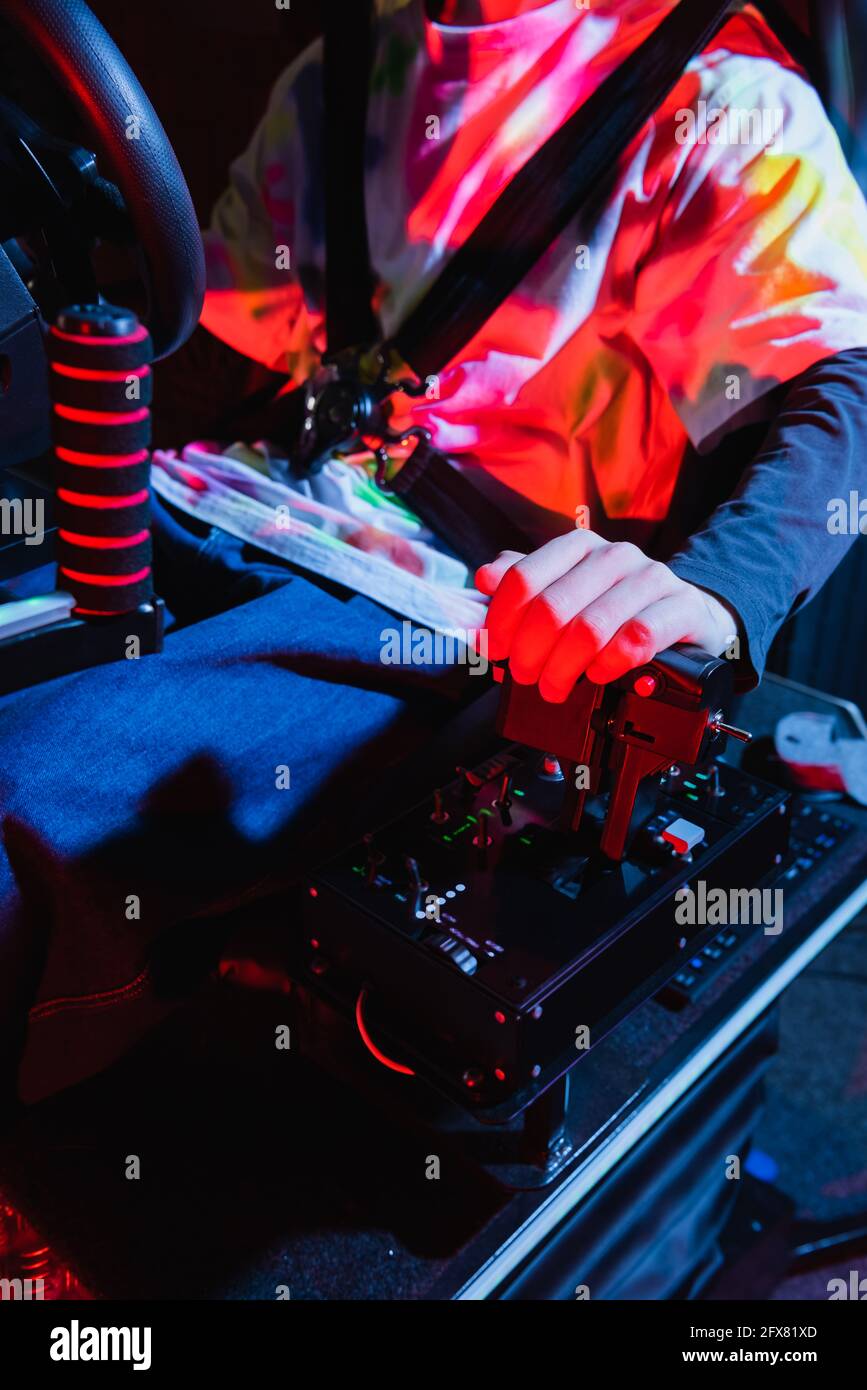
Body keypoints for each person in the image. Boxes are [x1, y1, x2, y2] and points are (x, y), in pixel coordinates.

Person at [2, 0, 867, 1126]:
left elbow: (840, 388)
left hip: (438, 600)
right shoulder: (350, 64)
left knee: (34, 793)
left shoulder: (715, 100)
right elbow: (223, 348)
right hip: (236, 495)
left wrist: (715, 591)